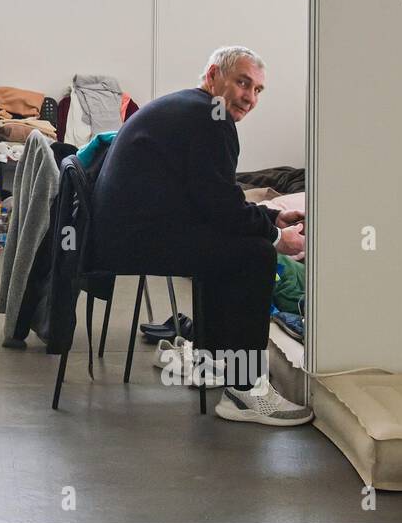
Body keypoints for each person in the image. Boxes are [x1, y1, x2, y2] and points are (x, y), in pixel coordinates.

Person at [91, 45, 312, 426]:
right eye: (243, 83)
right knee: (255, 256)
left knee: (231, 248)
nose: (250, 97)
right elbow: (221, 210)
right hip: (135, 241)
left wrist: (269, 216)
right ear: (213, 75)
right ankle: (246, 391)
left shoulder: (190, 108)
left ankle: (212, 364)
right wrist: (277, 240)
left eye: (258, 90)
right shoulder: (212, 119)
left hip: (121, 233)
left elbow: (210, 199)